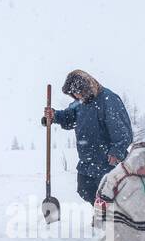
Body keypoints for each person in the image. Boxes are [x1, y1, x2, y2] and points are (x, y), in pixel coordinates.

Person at [41, 69, 134, 203]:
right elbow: (68, 117)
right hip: (87, 161)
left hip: (107, 161)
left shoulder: (109, 100)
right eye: (73, 94)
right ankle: (101, 213)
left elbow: (123, 132)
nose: (76, 96)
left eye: (77, 92)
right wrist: (54, 116)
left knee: (109, 195)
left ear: (86, 87)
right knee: (85, 189)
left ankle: (113, 218)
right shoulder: (80, 103)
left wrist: (117, 151)